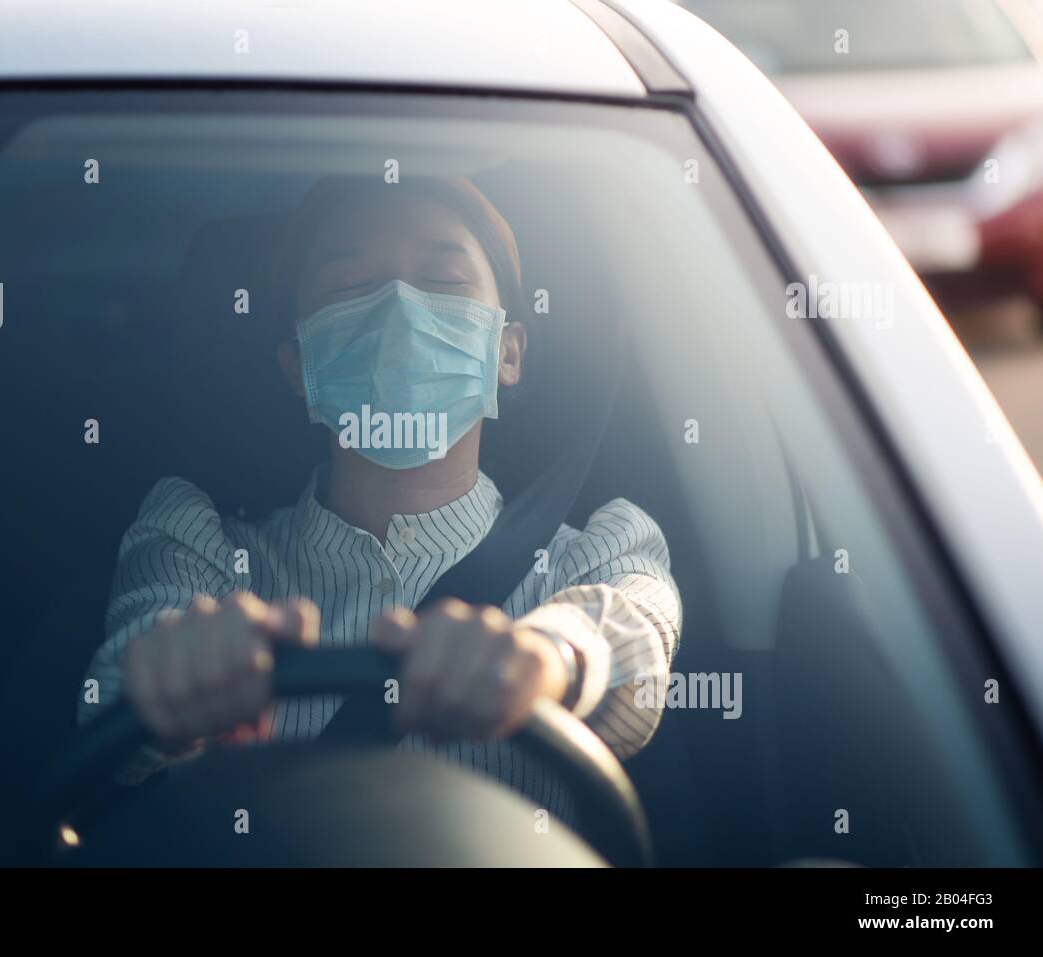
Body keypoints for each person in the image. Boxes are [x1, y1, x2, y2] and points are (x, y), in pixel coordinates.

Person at [78, 176, 682, 817]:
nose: (398, 307)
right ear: (297, 366)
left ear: (507, 352)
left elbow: (631, 646)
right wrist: (177, 675)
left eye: (444, 280)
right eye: (349, 288)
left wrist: (547, 658)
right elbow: (114, 696)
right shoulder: (200, 550)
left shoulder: (593, 554)